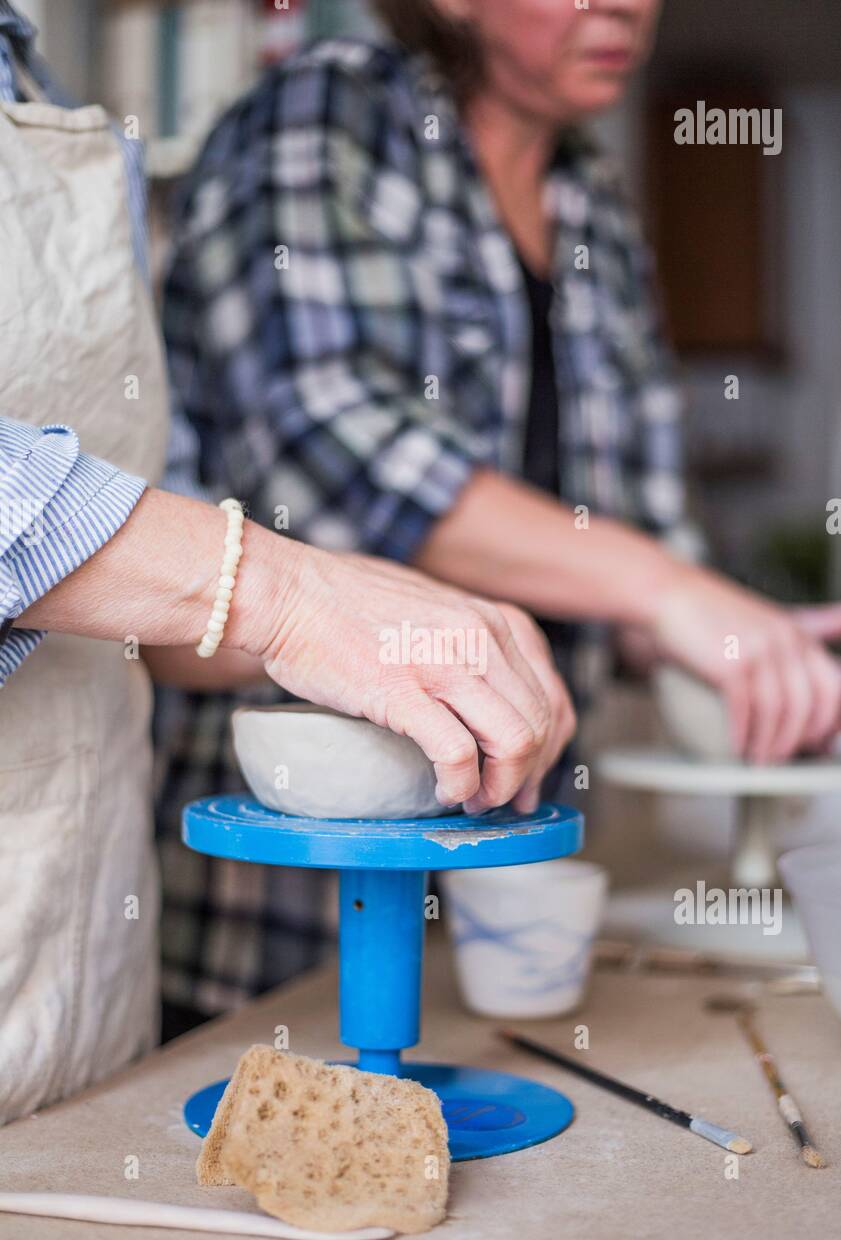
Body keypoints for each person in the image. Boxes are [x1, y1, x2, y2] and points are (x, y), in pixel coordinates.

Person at [156, 0, 841, 1020]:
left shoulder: (594, 202)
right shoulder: (328, 114)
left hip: (518, 855)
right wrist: (668, 591)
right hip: (285, 898)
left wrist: (730, 634)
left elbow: (642, 519)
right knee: (298, 1115)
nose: (623, 4)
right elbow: (336, 447)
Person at [0, 0, 572, 1125]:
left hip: (75, 1000)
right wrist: (275, 592)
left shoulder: (37, 80)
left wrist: (355, 632)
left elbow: (108, 607)